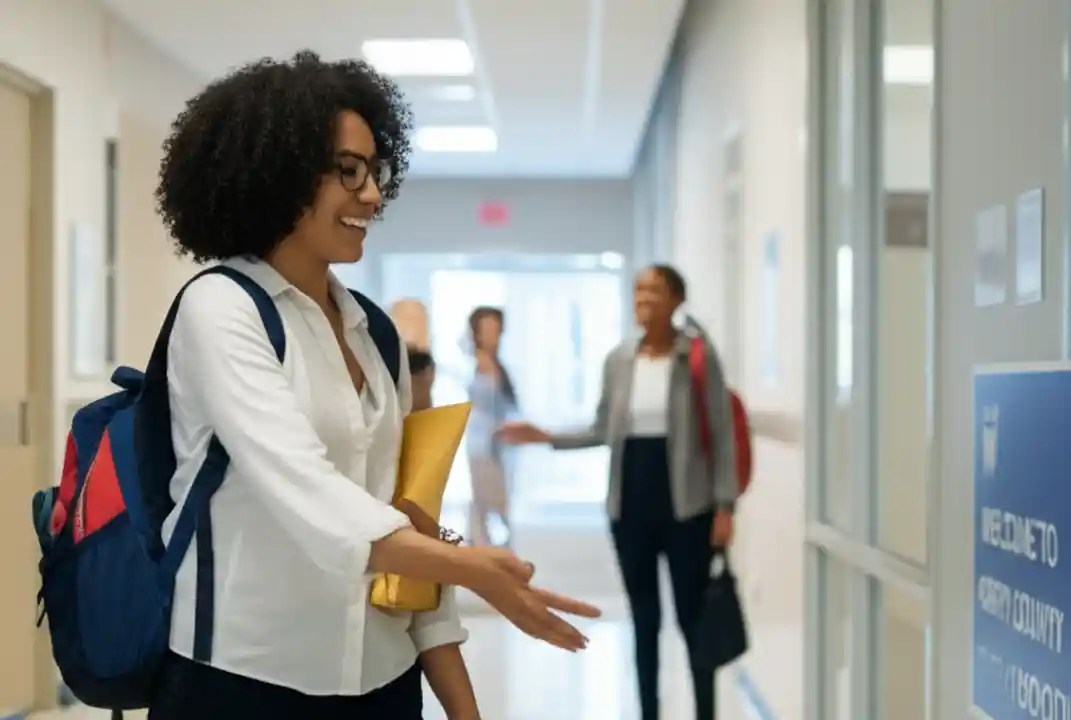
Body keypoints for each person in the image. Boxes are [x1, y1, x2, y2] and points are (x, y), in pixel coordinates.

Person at [149, 50, 598, 719]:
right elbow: (305, 488)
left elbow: (409, 517)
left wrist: (464, 707)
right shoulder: (221, 307)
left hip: (384, 681)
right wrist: (472, 566)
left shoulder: (375, 332)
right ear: (277, 172)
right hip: (243, 678)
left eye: (375, 171)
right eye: (347, 171)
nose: (372, 195)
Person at [502, 265, 737, 720]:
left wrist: (725, 506)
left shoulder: (696, 357)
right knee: (644, 620)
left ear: (676, 299)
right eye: (638, 289)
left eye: (655, 290)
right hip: (630, 507)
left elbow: (723, 434)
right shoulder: (619, 359)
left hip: (689, 507)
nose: (643, 297)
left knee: (692, 619)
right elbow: (601, 428)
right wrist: (546, 436)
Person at [465, 307, 519, 547]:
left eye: (496, 330)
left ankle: (492, 547)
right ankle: (482, 546)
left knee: (497, 498)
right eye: (486, 330)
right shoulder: (474, 363)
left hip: (499, 443)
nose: (492, 336)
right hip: (481, 443)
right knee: (485, 498)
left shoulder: (498, 365)